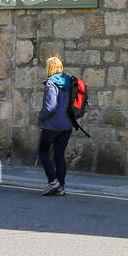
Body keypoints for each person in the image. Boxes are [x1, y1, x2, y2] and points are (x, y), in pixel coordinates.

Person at [37, 56, 72, 196]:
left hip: (52, 126)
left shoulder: (51, 83)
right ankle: (61, 187)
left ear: (49, 68)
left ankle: (53, 181)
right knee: (59, 156)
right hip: (67, 126)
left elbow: (50, 107)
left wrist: (41, 117)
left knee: (43, 152)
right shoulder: (69, 81)